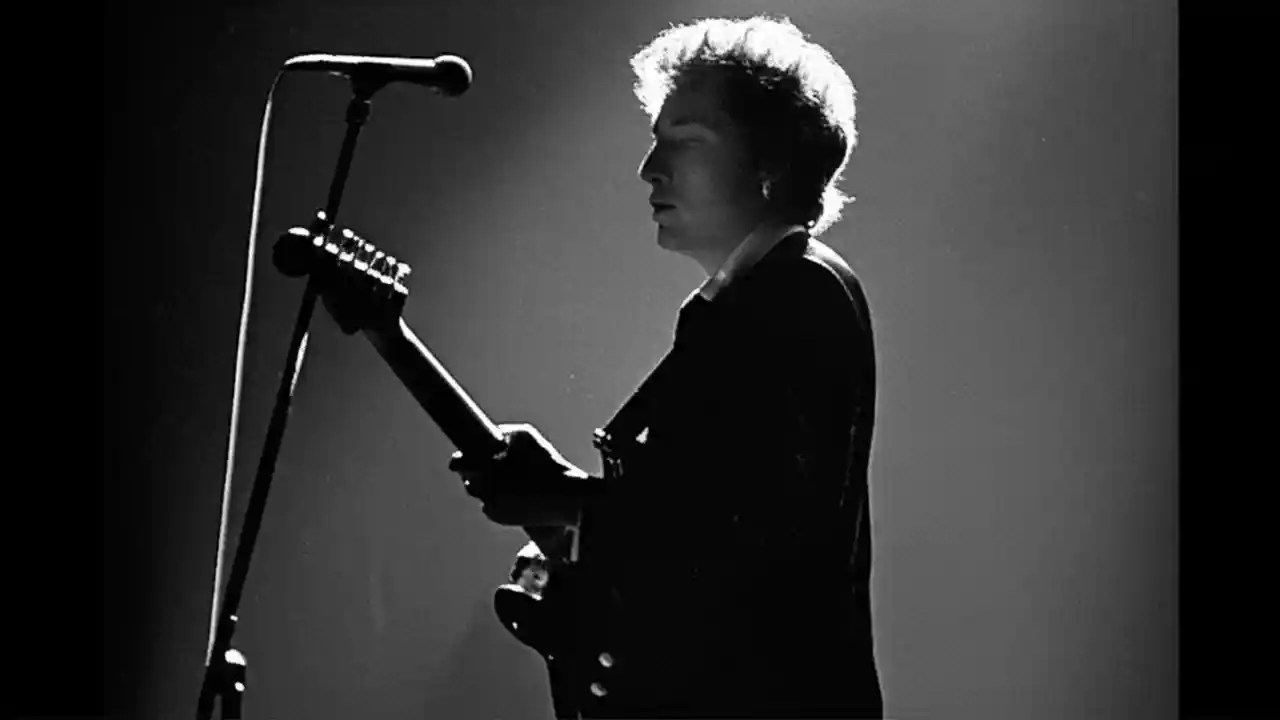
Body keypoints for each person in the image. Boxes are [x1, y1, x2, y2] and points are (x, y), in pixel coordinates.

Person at [452, 14, 881, 719]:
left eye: (685, 142)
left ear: (768, 162)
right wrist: (569, 515)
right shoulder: (759, 295)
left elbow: (749, 532)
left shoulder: (795, 294)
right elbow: (701, 519)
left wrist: (567, 500)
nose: (649, 170)